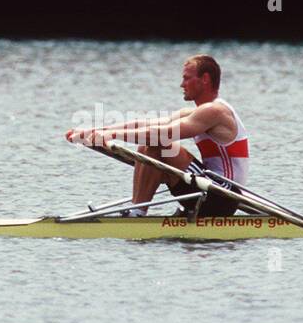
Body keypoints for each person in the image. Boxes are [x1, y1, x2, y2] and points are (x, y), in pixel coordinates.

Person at [64, 54, 249, 218]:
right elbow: (150, 124)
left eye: (187, 78)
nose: (181, 84)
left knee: (159, 143)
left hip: (223, 195)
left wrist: (112, 135)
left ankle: (137, 213)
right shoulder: (196, 112)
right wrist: (96, 132)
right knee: (148, 146)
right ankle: (137, 210)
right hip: (206, 191)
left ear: (205, 79)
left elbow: (164, 134)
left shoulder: (215, 110)